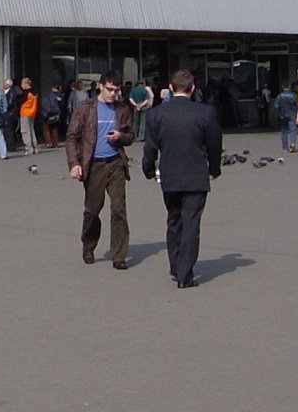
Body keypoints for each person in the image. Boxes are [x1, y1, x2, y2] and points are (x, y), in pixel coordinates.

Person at [141, 70, 222, 288]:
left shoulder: (156, 114)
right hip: (196, 175)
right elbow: (214, 145)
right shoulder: (205, 113)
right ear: (192, 88)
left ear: (170, 87)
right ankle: (185, 274)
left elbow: (150, 147)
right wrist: (215, 168)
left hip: (170, 175)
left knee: (174, 220)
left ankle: (176, 266)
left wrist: (148, 169)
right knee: (191, 223)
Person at [67, 71, 135, 269]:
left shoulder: (122, 109)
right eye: (110, 89)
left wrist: (120, 136)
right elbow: (72, 137)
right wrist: (74, 163)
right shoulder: (86, 108)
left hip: (115, 163)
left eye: (116, 90)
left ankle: (119, 255)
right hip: (93, 164)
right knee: (93, 210)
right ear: (101, 86)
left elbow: (130, 136)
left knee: (119, 209)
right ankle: (88, 245)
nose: (113, 94)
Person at [274, 84, 298, 153]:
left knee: (284, 131)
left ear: (282, 87)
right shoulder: (293, 95)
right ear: (289, 87)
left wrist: (279, 111)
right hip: (292, 114)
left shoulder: (280, 96)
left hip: (283, 114)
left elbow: (276, 106)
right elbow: (296, 104)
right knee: (293, 130)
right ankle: (292, 144)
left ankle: (285, 147)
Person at [18, 81, 39, 155]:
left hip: (25, 112)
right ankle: (35, 147)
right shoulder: (34, 93)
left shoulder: (26, 93)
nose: (21, 86)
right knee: (31, 130)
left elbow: (19, 101)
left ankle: (28, 148)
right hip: (32, 112)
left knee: (25, 131)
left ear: (27, 84)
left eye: (22, 84)